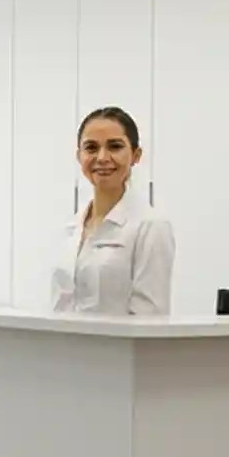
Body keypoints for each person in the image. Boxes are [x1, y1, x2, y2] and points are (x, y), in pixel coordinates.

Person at [51, 107, 175, 315]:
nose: (102, 157)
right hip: (65, 346)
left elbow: (150, 318)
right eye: (91, 148)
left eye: (115, 147)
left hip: (117, 348)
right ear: (79, 156)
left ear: (136, 155)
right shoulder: (72, 227)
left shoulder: (150, 226)